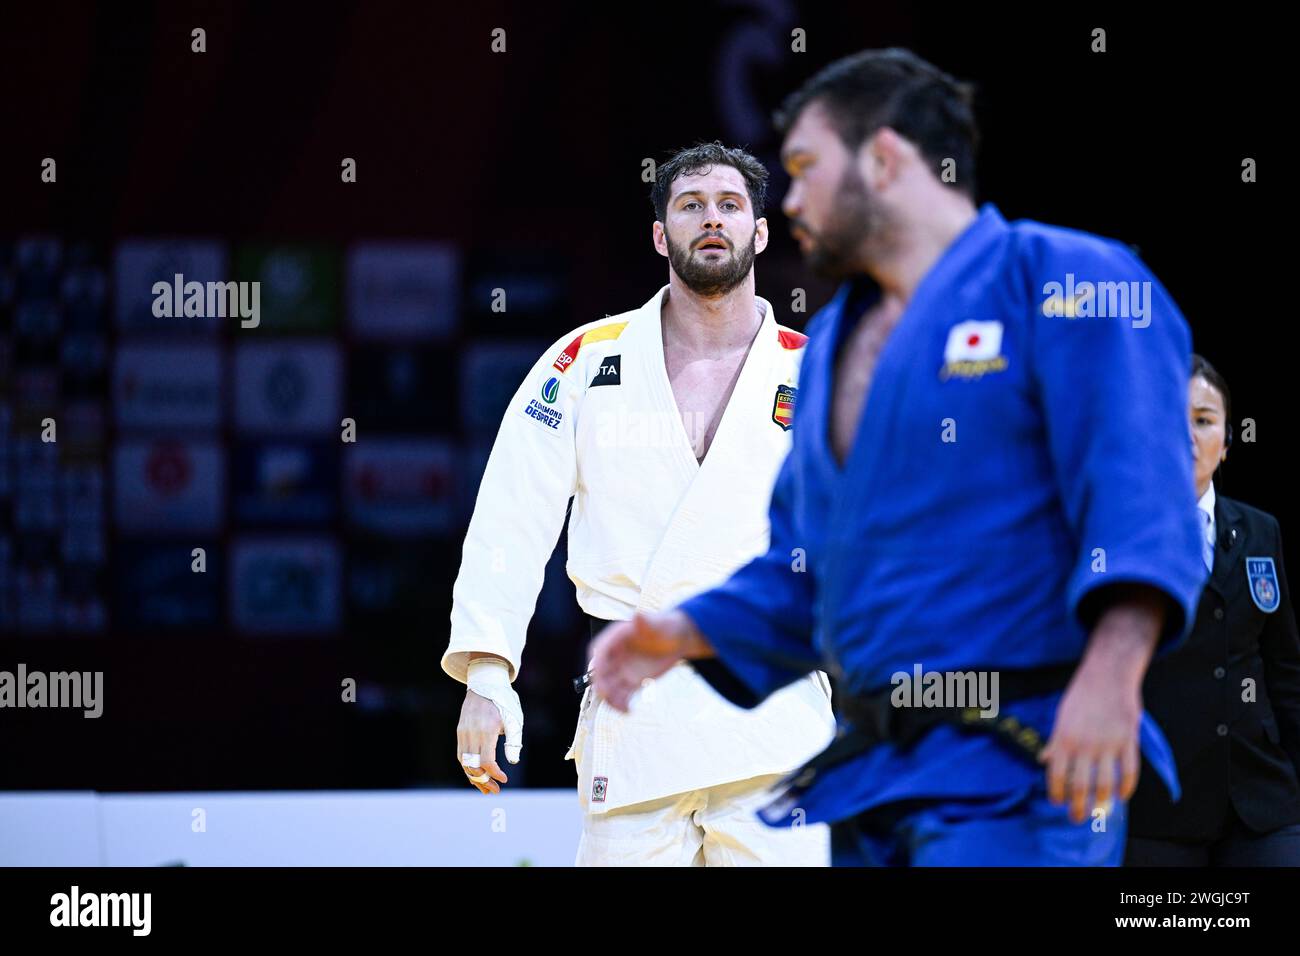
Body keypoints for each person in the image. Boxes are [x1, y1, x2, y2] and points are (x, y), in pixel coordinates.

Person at [589, 49, 1206, 866]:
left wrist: (1113, 676)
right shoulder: (834, 342)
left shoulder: (1064, 279)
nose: (795, 198)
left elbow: (1144, 506)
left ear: (883, 159)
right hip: (872, 779)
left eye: (807, 169)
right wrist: (681, 629)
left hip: (1021, 766)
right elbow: (806, 570)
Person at [444, 142, 835, 866]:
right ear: (661, 235)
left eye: (729, 206)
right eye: (690, 206)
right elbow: (511, 518)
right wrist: (488, 673)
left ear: (761, 231)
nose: (710, 220)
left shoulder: (813, 370)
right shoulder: (585, 361)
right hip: (636, 724)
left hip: (774, 717)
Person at [1126, 355, 1300, 865]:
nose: (1187, 435)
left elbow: (1285, 666)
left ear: (1225, 444)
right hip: (1157, 805)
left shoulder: (1260, 531)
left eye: (1203, 421)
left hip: (1260, 798)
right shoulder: (1116, 538)